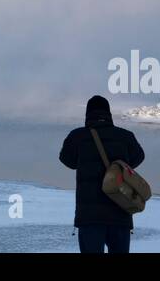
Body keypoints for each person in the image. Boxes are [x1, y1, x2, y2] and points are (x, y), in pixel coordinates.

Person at [58, 94, 145, 253]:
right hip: (120, 210)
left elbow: (67, 160)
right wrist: (119, 168)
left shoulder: (77, 136)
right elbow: (139, 157)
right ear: (109, 114)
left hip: (89, 217)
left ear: (87, 114)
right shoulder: (125, 136)